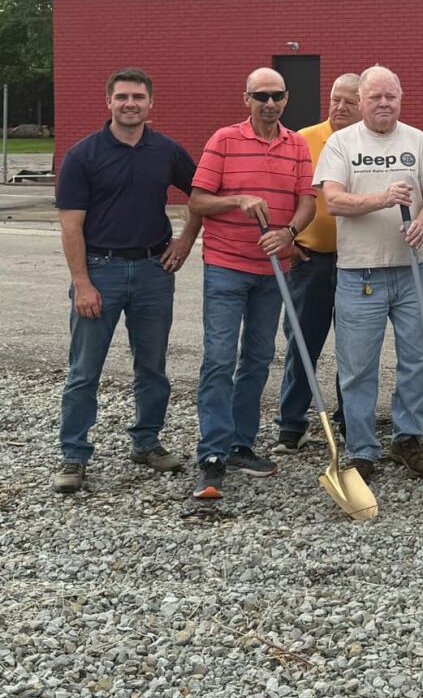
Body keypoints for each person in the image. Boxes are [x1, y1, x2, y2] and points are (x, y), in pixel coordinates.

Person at [53, 68, 203, 494]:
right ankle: (74, 453)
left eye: (138, 97)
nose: (130, 104)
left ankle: (147, 442)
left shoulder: (167, 151)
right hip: (101, 270)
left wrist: (186, 241)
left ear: (151, 103)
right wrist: (82, 283)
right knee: (85, 370)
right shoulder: (84, 155)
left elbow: (203, 194)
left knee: (152, 367)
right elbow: (70, 227)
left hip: (155, 270)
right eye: (122, 97)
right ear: (109, 102)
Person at [314, 64, 423, 482]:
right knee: (357, 366)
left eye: (391, 96)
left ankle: (408, 437)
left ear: (400, 98)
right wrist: (383, 199)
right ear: (361, 102)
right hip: (360, 273)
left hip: (414, 271)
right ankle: (361, 448)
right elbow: (333, 201)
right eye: (375, 97)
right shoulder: (341, 143)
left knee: (418, 358)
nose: (384, 103)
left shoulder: (417, 140)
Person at [188, 68, 315, 500]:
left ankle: (241, 444)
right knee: (220, 359)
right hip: (226, 264)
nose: (269, 103)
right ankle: (211, 454)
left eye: (276, 95)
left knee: (258, 358)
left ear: (286, 98)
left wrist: (290, 233)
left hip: (273, 269)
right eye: (261, 95)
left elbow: (307, 202)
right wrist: (237, 199)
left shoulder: (296, 144)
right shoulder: (224, 140)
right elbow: (197, 199)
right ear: (247, 99)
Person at [273, 73, 360, 453]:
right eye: (335, 100)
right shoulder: (303, 139)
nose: (340, 107)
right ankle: (292, 424)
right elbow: (279, 192)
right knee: (302, 342)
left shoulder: (369, 143)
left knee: (354, 346)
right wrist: (287, 240)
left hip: (357, 263)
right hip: (311, 261)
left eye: (350, 102)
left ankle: (349, 421)